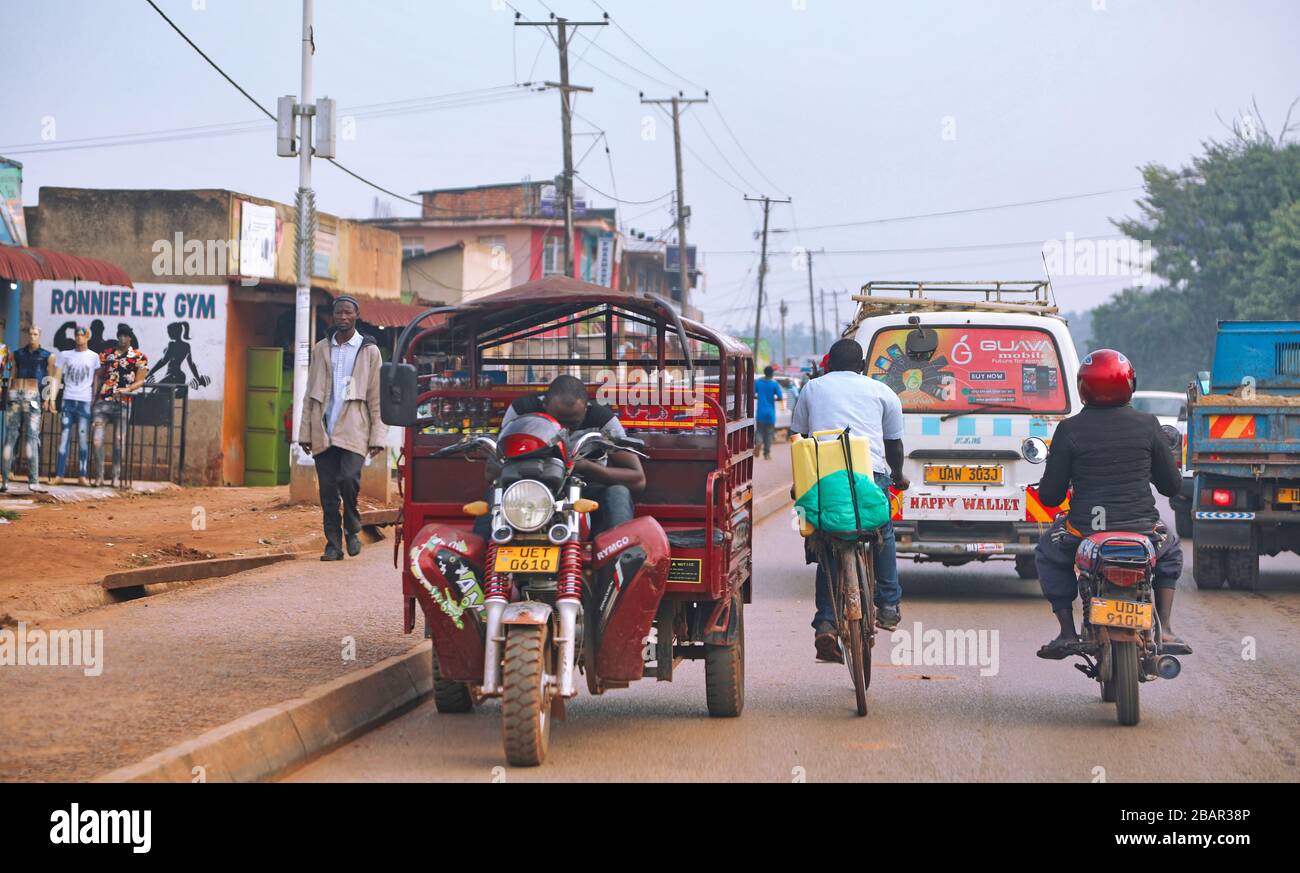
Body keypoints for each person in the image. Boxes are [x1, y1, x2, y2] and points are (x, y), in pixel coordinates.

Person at [1033, 349, 1189, 658]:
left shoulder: (1069, 429)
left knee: (1047, 552)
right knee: (1170, 550)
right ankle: (1166, 628)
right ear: (1129, 383)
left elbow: (1050, 496)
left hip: (1083, 530)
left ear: (1083, 387)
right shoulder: (1148, 424)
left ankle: (1066, 632)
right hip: (1143, 529)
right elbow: (1171, 486)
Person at [790, 338, 908, 662]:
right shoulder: (882, 392)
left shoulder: (812, 389)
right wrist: (897, 475)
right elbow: (894, 445)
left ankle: (825, 623)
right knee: (882, 531)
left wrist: (799, 483)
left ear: (828, 365)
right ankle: (887, 604)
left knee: (826, 541)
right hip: (870, 477)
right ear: (861, 366)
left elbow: (798, 438)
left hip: (823, 481)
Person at [476, 374, 644, 539]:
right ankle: (478, 559)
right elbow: (492, 471)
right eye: (557, 422)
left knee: (618, 493)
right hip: (529, 490)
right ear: (545, 404)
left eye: (573, 424)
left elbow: (637, 479)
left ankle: (617, 555)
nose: (565, 431)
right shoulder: (523, 410)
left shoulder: (602, 418)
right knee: (496, 494)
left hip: (586, 488)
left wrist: (586, 467)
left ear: (586, 408)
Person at [297, 296, 386, 562]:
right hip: (323, 429)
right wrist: (304, 433)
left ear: (357, 315)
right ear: (332, 316)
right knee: (327, 492)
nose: (342, 317)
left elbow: (376, 396)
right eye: (338, 313)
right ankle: (333, 545)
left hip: (355, 429)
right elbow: (309, 395)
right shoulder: (321, 349)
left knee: (348, 480)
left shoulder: (370, 351)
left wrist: (377, 435)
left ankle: (352, 525)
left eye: (348, 312)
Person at [92, 324, 149, 487]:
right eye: (120, 335)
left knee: (119, 440)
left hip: (124, 402)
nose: (122, 338)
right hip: (103, 401)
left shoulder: (139, 357)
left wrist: (129, 388)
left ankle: (116, 476)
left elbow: (140, 380)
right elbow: (98, 376)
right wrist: (93, 397)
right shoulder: (107, 354)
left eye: (125, 335)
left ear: (130, 338)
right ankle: (99, 475)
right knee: (97, 439)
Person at [2, 325, 56, 493]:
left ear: (39, 335)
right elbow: (11, 375)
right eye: (30, 333)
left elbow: (50, 377)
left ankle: (33, 480)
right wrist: (7, 396)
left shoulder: (47, 356)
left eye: (35, 334)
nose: (32, 336)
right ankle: (4, 480)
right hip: (16, 394)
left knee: (32, 437)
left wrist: (48, 399)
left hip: (33, 396)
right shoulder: (17, 354)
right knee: (10, 437)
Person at [53, 325, 99, 485]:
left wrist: (94, 401)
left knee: (82, 438)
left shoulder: (94, 357)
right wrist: (52, 398)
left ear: (88, 336)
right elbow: (57, 377)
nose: (79, 337)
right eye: (77, 334)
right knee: (64, 437)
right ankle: (59, 475)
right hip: (68, 399)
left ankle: (82, 475)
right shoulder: (65, 355)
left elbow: (96, 381)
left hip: (85, 401)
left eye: (82, 334)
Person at [755, 365, 783, 460]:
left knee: (759, 431)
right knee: (769, 433)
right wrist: (774, 398)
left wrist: (758, 397)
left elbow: (753, 393)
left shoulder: (758, 382)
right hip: (770, 413)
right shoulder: (774, 384)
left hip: (761, 412)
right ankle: (766, 454)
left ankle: (758, 442)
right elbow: (780, 397)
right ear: (772, 374)